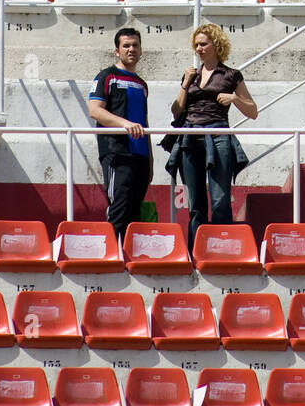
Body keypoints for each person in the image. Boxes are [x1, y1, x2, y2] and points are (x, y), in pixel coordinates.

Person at [165, 23, 257, 248]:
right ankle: (197, 251)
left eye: (203, 43)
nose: (199, 48)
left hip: (218, 136)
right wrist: (185, 85)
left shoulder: (231, 75)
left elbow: (253, 111)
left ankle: (220, 250)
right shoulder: (191, 76)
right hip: (190, 136)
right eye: (196, 44)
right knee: (195, 202)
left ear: (216, 45)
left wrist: (234, 99)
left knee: (220, 200)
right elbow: (176, 111)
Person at [88, 27, 151, 242]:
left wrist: (150, 160)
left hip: (140, 156)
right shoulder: (106, 76)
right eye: (126, 46)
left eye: (135, 45)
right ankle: (109, 257)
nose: (131, 49)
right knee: (119, 207)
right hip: (117, 153)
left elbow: (145, 122)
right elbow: (95, 110)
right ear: (117, 51)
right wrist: (125, 124)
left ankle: (129, 260)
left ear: (141, 50)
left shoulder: (142, 84)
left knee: (134, 214)